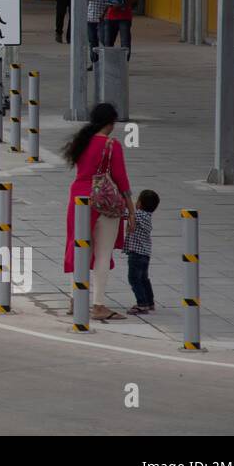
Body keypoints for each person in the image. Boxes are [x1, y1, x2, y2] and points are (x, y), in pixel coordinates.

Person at [62, 102, 137, 322]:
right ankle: (98, 305)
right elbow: (121, 180)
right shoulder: (111, 145)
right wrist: (131, 210)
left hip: (78, 197)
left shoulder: (81, 141)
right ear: (111, 123)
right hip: (103, 200)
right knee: (102, 253)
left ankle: (75, 299)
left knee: (79, 248)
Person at [123, 189, 160, 315]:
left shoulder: (138, 215)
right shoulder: (147, 216)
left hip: (136, 254)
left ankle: (142, 304)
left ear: (140, 204)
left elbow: (124, 213)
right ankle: (150, 302)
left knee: (134, 279)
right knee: (144, 279)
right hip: (145, 254)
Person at [84, 0, 109, 70]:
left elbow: (110, 0)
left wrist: (104, 13)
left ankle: (107, 63)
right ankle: (94, 63)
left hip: (102, 17)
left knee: (104, 41)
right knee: (92, 41)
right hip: (90, 16)